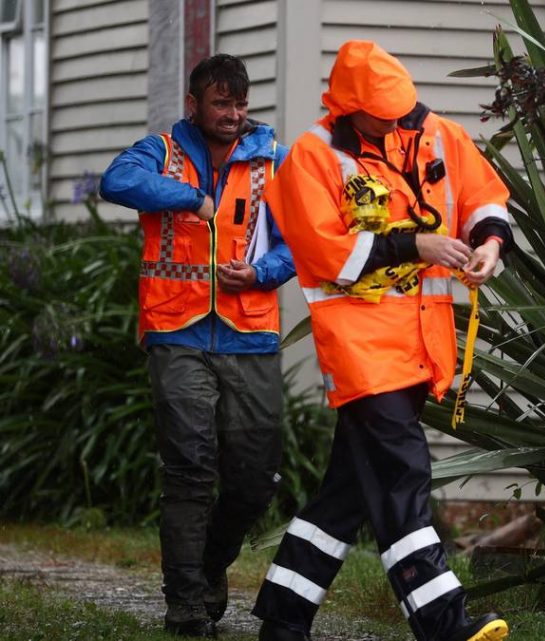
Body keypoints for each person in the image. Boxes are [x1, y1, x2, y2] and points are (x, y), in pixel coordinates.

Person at [250, 40, 514, 641]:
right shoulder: (312, 159)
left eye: (402, 109)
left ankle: (282, 620)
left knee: (347, 494)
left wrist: (491, 244)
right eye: (382, 113)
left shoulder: (437, 134)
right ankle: (444, 624)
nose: (396, 121)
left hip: (423, 345)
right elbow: (323, 254)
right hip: (361, 351)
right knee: (403, 475)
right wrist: (414, 245)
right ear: (347, 107)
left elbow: (485, 198)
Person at [100, 54, 295, 638]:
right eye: (220, 104)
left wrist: (261, 273)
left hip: (250, 333)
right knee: (188, 467)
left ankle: (210, 566)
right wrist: (188, 199)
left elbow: (300, 244)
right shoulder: (161, 152)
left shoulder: (273, 162)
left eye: (240, 103)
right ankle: (185, 604)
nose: (233, 115)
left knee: (255, 477)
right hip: (175, 330)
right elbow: (116, 181)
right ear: (195, 104)